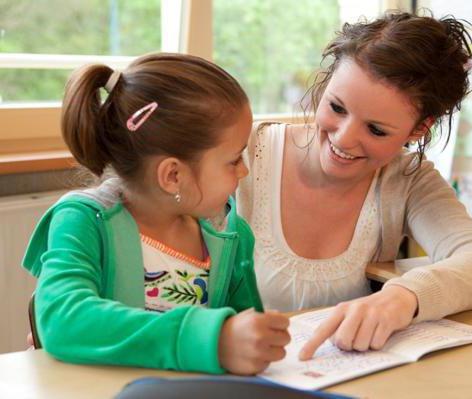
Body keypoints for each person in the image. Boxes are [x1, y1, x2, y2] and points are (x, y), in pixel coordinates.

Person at [236, 11, 472, 359]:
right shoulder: (239, 154)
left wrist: (405, 296)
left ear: (418, 130)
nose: (345, 138)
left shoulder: (408, 179)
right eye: (336, 107)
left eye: (376, 130)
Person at [22, 53, 290, 375]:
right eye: (233, 160)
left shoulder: (232, 236)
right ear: (173, 176)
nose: (244, 171)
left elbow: (246, 342)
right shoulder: (83, 221)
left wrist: (258, 343)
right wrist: (213, 340)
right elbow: (63, 318)